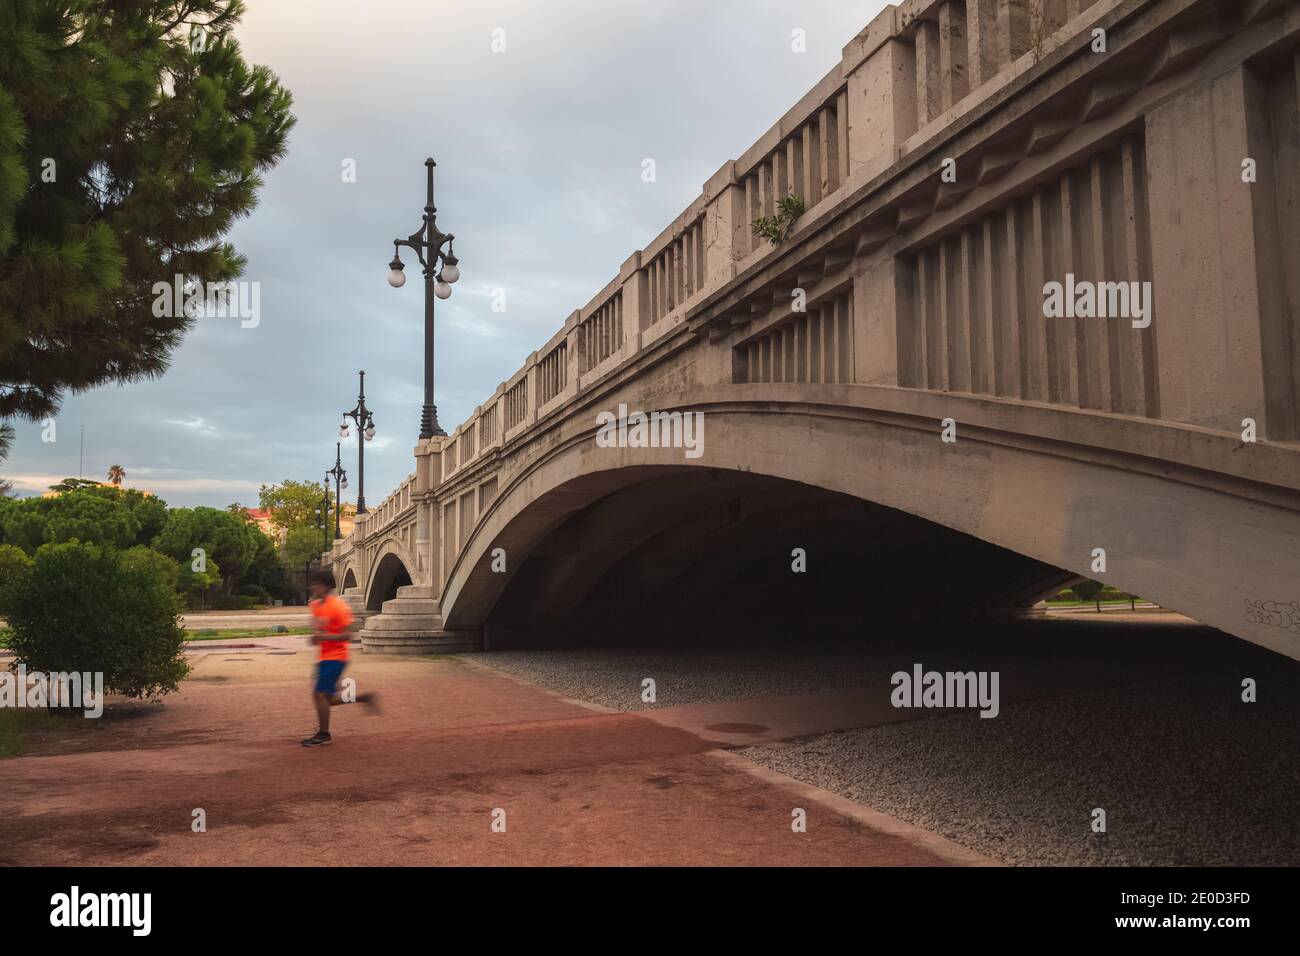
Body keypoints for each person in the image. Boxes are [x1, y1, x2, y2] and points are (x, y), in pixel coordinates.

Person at [301, 568, 378, 747]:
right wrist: (316, 637)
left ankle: (323, 734)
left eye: (317, 585)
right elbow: (320, 630)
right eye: (312, 584)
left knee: (319, 695)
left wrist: (323, 637)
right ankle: (363, 698)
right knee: (324, 698)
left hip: (336, 657)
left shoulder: (338, 606)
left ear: (327, 586)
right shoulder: (314, 605)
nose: (313, 588)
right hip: (323, 657)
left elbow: (347, 636)